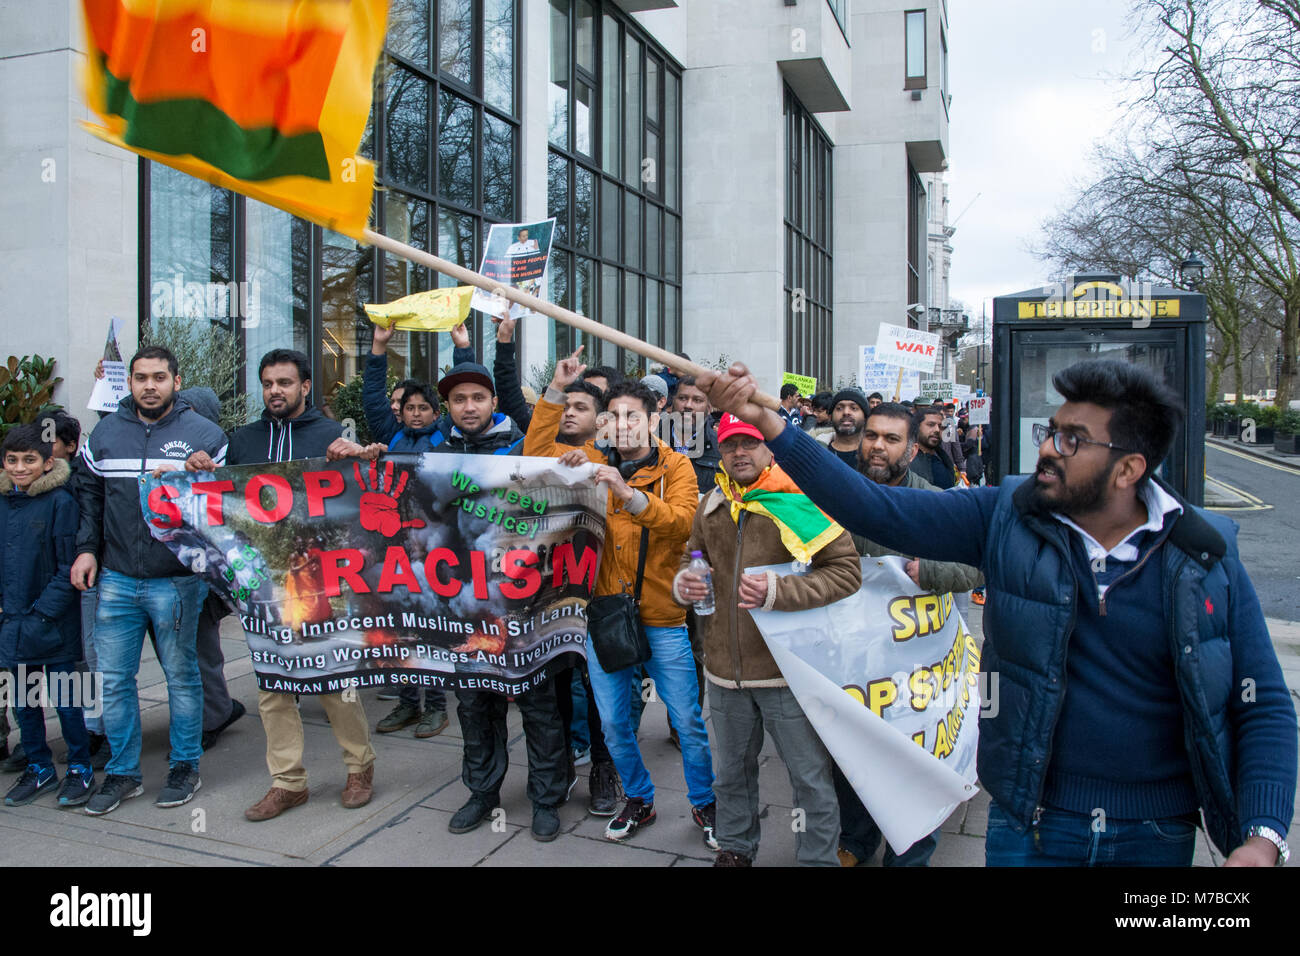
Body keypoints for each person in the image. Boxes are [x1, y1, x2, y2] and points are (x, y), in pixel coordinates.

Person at [697, 358, 1297, 867]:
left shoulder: (1205, 553)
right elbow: (874, 508)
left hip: (1158, 832)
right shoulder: (1006, 513)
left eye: (1071, 440)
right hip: (1028, 821)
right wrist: (771, 424)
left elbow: (1262, 701)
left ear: (1129, 469)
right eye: (1050, 430)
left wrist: (1264, 835)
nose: (1047, 450)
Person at [184, 349, 384, 821]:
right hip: (263, 581)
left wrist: (358, 458)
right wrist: (198, 471)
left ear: (305, 387)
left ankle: (360, 767)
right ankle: (288, 782)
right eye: (269, 383)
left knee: (335, 679)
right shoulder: (242, 440)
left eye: (286, 383)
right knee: (274, 686)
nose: (276, 390)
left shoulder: (330, 435)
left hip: (323, 579)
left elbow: (365, 500)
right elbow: (227, 497)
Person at [528, 351, 717, 848]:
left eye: (634, 415)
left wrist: (629, 495)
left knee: (687, 720)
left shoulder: (678, 467)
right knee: (613, 722)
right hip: (606, 616)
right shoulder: (590, 460)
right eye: (613, 416)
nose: (623, 424)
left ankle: (705, 803)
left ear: (655, 419)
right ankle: (639, 798)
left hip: (663, 616)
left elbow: (682, 523)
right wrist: (554, 391)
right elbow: (536, 452)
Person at [674, 414, 861, 866]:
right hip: (723, 671)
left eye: (749, 444)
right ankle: (736, 849)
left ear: (769, 450)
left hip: (787, 673)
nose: (739, 453)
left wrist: (779, 592)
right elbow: (691, 554)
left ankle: (817, 859)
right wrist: (685, 581)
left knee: (810, 779)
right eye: (729, 445)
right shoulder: (712, 503)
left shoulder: (800, 500)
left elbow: (846, 572)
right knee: (731, 775)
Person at [71, 346, 229, 816]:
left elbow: (225, 507)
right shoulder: (104, 434)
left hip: (177, 582)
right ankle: (123, 773)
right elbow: (89, 499)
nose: (149, 385)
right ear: (131, 382)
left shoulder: (207, 435)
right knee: (114, 681)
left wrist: (207, 475)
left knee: (182, 678)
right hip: (117, 579)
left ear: (176, 382)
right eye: (141, 377)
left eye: (159, 377)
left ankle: (185, 766)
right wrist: (85, 550)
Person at [426, 356, 567, 844]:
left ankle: (547, 799)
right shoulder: (431, 456)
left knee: (539, 704)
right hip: (463, 607)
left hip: (524, 605)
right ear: (447, 405)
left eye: (477, 397)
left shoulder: (522, 449)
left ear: (494, 403)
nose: (468, 406)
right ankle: (482, 792)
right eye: (459, 399)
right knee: (473, 706)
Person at [835, 403, 982, 867]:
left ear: (912, 448)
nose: (877, 446)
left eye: (891, 439)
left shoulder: (937, 504)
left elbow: (976, 567)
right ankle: (856, 842)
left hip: (920, 663)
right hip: (856, 661)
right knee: (853, 755)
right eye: (871, 436)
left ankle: (910, 855)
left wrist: (933, 570)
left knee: (915, 760)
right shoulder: (839, 496)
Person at [530, 374, 622, 816]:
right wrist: (554, 390)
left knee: (603, 688)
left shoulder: (613, 457)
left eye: (580, 407)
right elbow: (532, 451)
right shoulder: (546, 454)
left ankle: (605, 768)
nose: (569, 412)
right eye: (564, 406)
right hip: (555, 592)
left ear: (601, 421)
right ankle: (563, 762)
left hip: (601, 590)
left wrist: (585, 461)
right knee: (559, 683)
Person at [0, 425, 94, 807]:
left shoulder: (61, 501)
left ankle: (79, 768)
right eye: (12, 460)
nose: (20, 468)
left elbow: (68, 566)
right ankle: (39, 767)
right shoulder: (4, 502)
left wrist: (41, 613)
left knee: (68, 701)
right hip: (12, 622)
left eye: (29, 460)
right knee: (23, 701)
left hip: (51, 623)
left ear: (47, 462)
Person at [665, 375, 720, 495]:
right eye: (682, 398)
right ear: (673, 402)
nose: (688, 405)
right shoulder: (652, 442)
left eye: (697, 400)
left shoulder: (721, 449)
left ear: (709, 408)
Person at [910, 406, 960, 489]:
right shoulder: (907, 463)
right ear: (917, 427)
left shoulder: (942, 458)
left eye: (941, 427)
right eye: (931, 425)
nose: (937, 430)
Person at [819, 389, 869, 466]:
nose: (846, 412)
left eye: (854, 408)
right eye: (839, 408)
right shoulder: (816, 451)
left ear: (865, 417)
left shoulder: (873, 454)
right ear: (830, 417)